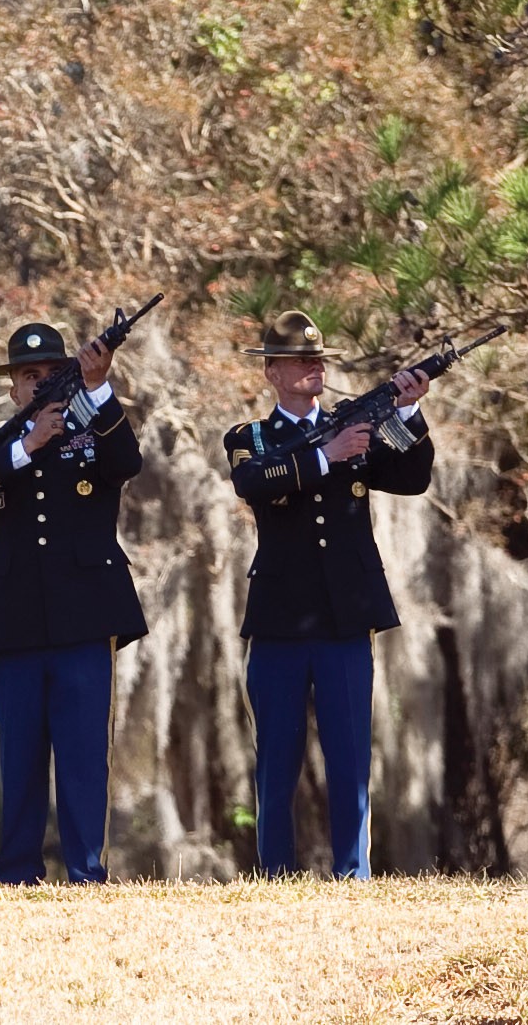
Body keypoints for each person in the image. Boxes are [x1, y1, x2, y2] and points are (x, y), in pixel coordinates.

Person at [224, 310, 433, 879]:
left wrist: (410, 410)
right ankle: (275, 873)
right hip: (280, 621)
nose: (313, 367)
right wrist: (325, 456)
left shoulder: (356, 427)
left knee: (350, 759)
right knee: (277, 762)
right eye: (299, 360)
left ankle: (352, 874)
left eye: (318, 359)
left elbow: (412, 477)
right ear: (272, 372)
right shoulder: (252, 438)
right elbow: (254, 484)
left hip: (345, 616)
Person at [0, 321, 147, 885]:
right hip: (18, 620)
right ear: (12, 389)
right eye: (26, 376)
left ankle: (86, 870)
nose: (37, 384)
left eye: (48, 374)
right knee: (21, 758)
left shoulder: (94, 430)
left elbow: (125, 464)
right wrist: (28, 445)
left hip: (86, 616)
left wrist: (99, 387)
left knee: (84, 757)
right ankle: (17, 873)